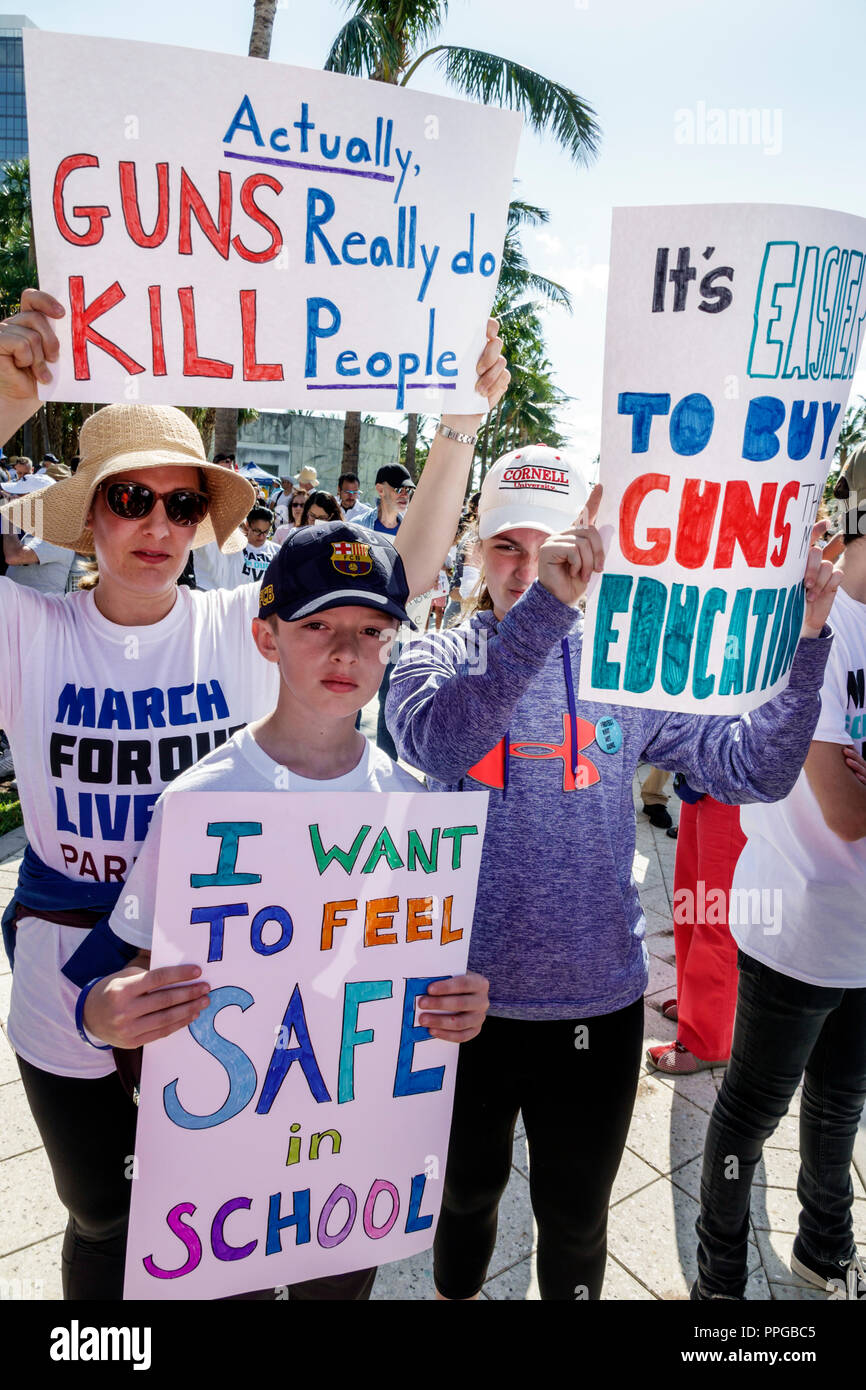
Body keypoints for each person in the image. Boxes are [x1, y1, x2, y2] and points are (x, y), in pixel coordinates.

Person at [0, 286, 509, 1299]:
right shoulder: (28, 634)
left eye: (182, 501)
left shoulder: (242, 627)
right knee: (104, 1211)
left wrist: (457, 427)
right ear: (87, 513)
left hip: (241, 986)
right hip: (73, 972)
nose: (156, 522)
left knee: (246, 1234)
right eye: (127, 497)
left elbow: (390, 579)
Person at [385, 444, 841, 1302]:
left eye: (548, 547)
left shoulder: (626, 667)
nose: (527, 569)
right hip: (458, 1001)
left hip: (594, 1003)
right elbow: (445, 741)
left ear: (589, 548)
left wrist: (808, 644)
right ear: (477, 552)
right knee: (463, 1195)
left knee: (575, 1218)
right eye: (505, 547)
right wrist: (548, 613)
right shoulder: (433, 655)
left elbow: (754, 770)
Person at [80, 522, 490, 1301]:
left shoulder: (413, 807)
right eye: (318, 627)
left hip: (350, 1173)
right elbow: (114, 972)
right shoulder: (199, 801)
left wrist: (457, 1006)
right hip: (223, 1169)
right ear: (266, 638)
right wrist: (107, 1013)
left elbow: (416, 980)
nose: (346, 652)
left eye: (371, 631)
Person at [692, 446, 866, 1302]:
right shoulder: (814, 618)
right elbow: (846, 809)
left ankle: (825, 1250)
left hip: (863, 936)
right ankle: (720, 1281)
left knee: (841, 1110)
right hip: (796, 924)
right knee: (751, 1116)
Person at [1, 474, 75, 594]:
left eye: (19, 495)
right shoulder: (39, 526)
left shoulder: (57, 533)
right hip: (25, 608)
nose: (12, 498)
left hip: (40, 610)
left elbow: (13, 557)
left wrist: (8, 517)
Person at [193, 504, 277, 588]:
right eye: (257, 531)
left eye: (266, 532)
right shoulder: (232, 545)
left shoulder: (277, 551)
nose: (262, 536)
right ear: (247, 525)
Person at [354, 464, 414, 536]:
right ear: (380, 490)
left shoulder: (413, 530)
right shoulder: (357, 528)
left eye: (408, 490)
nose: (405, 495)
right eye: (399, 490)